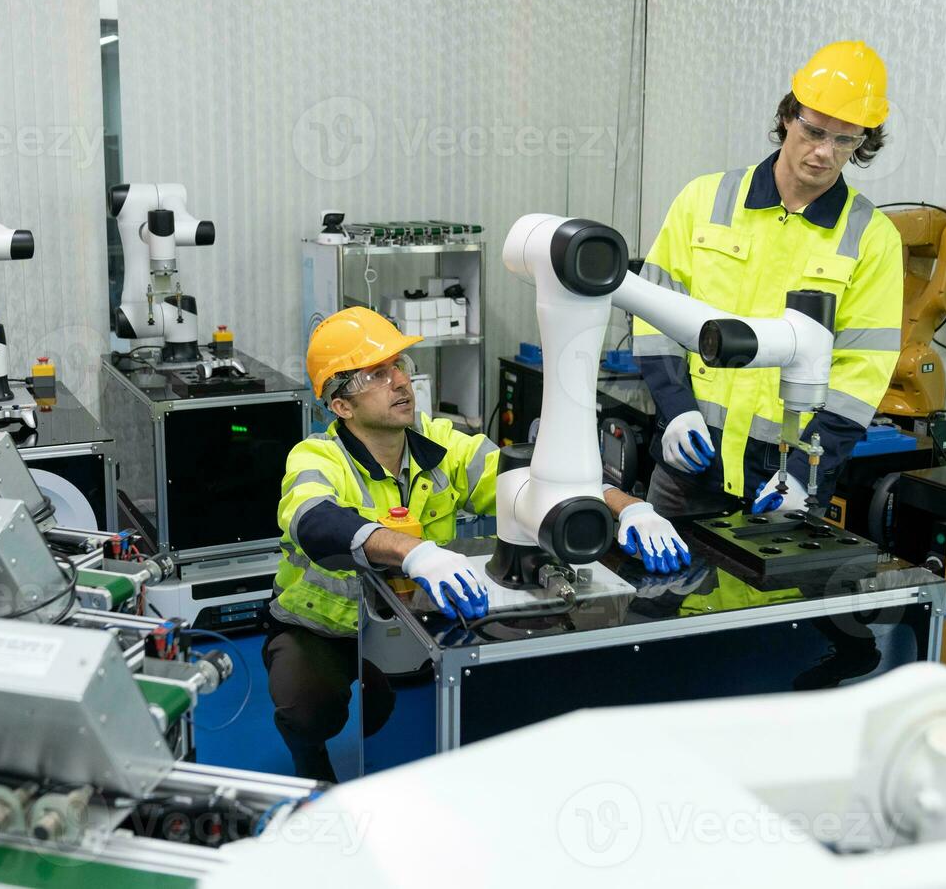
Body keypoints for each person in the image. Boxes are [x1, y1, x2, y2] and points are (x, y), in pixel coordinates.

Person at [263, 306, 692, 780]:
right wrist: (412, 552)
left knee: (405, 712)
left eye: (398, 366)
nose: (400, 382)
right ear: (341, 406)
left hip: (412, 623)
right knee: (309, 709)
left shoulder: (441, 443)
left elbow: (534, 482)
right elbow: (313, 520)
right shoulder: (317, 457)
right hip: (322, 628)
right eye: (376, 375)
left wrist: (627, 506)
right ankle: (309, 758)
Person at [634, 40, 903, 516]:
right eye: (814, 131)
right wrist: (675, 408)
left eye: (845, 141)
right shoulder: (704, 200)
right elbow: (654, 311)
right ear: (788, 116)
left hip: (786, 483)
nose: (824, 153)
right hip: (687, 467)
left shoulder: (872, 237)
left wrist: (802, 473)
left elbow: (861, 372)